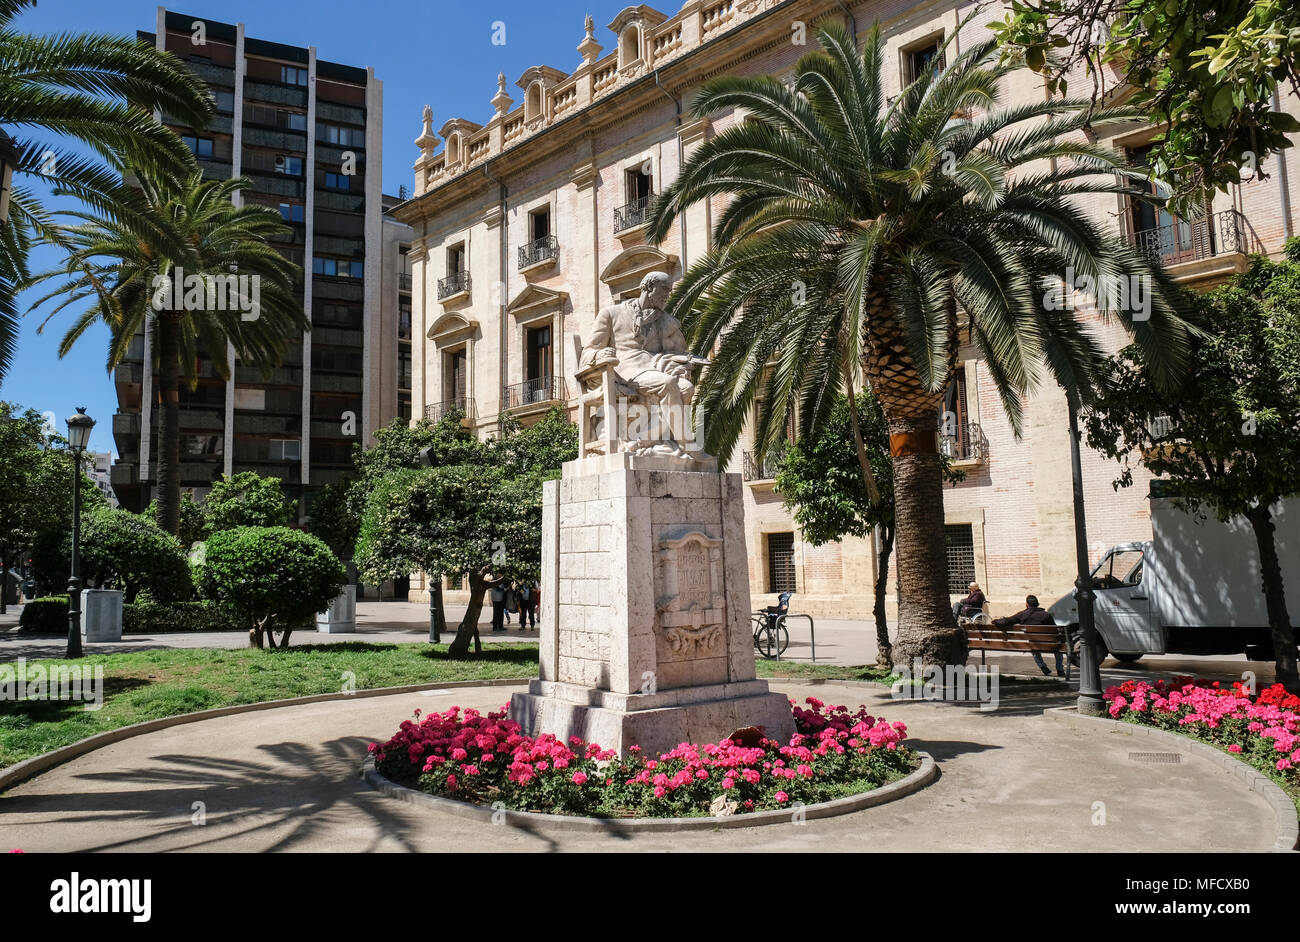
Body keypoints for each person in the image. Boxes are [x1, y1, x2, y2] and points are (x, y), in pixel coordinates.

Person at [994, 594, 1063, 676]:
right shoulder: (1046, 615)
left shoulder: (1022, 614)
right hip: (1049, 644)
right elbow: (1054, 630)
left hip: (1034, 644)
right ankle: (1060, 669)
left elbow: (1008, 621)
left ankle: (1042, 666)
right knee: (1058, 648)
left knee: (1034, 647)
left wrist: (995, 621)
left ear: (1027, 604)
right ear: (1037, 604)